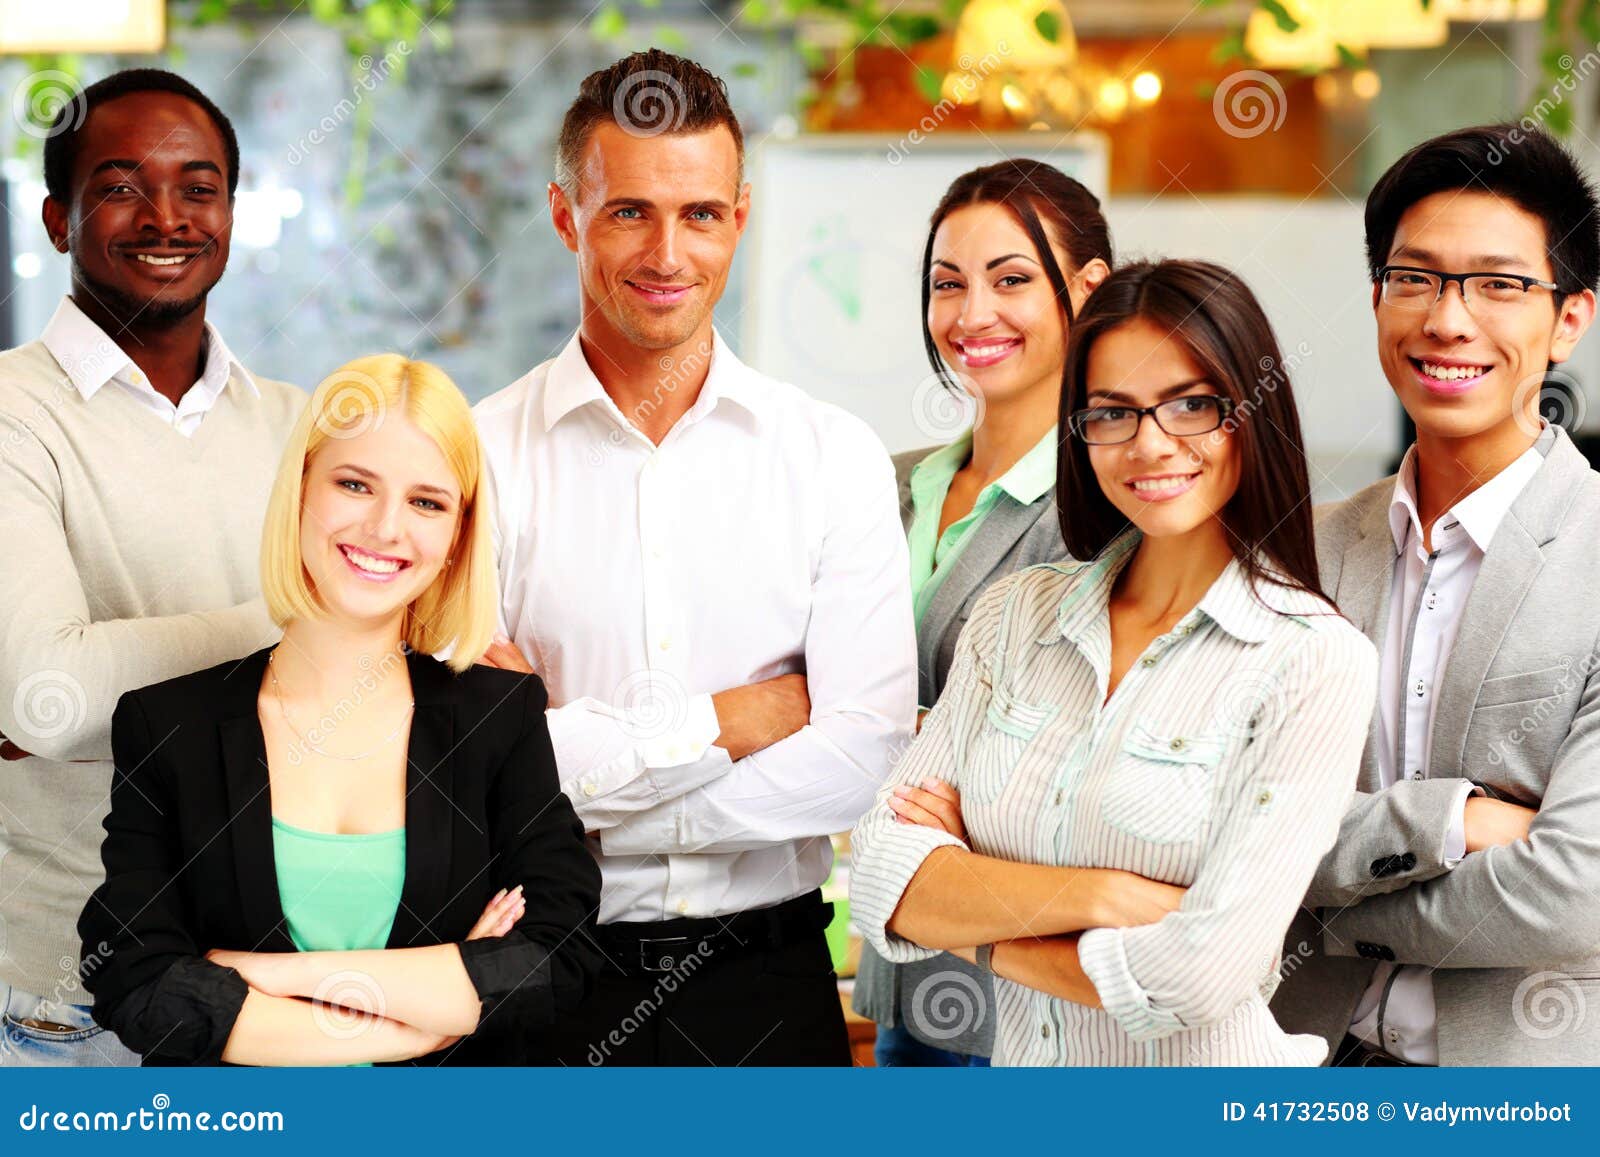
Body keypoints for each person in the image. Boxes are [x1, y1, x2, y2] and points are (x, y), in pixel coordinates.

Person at [473, 49, 916, 1066]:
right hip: (536, 985)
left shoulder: (828, 453)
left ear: (740, 218)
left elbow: (862, 759)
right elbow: (478, 774)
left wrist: (589, 808)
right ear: (563, 215)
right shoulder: (474, 457)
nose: (667, 251)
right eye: (629, 210)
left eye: (700, 214)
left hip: (767, 987)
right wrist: (735, 719)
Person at [851, 259, 1380, 1066]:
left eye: (1192, 405)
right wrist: (1096, 896)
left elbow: (1197, 977)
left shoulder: (1313, 659)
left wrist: (975, 920)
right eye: (1112, 413)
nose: (1151, 444)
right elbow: (879, 875)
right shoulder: (1013, 617)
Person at [78, 355, 602, 1066]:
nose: (386, 527)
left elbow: (554, 957)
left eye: (427, 501)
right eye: (355, 484)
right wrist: (427, 1014)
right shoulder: (166, 725)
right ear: (299, 493)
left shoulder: (500, 715)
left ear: (456, 538)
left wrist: (277, 975)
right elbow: (139, 980)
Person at [1271, 123, 1600, 1066]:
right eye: (1416, 278)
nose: (1448, 321)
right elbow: (1218, 819)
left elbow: (1574, 886)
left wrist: (1310, 917)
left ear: (1570, 317)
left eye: (1500, 285)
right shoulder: (1300, 549)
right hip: (1292, 1069)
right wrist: (1454, 820)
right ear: (1378, 297)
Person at [0, 69, 305, 1066]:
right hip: (58, 1006)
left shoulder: (300, 426)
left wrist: (117, 678)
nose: (166, 215)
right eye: (122, 185)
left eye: (199, 185)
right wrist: (311, 627)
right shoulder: (13, 414)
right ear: (58, 218)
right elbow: (47, 697)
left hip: (265, 984)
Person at [852, 158, 1110, 1068]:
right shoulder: (887, 482)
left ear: (1089, 290)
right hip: (900, 959)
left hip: (1033, 994)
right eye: (948, 284)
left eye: (1012, 280)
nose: (973, 315)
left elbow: (1079, 751)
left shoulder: (1109, 506)